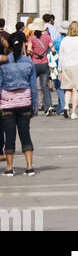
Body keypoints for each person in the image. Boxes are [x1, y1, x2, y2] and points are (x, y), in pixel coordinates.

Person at [0, 33, 38, 176]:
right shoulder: (28, 62)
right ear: (23, 44)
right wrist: (34, 105)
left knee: (9, 135)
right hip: (24, 103)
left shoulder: (4, 62)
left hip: (7, 104)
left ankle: (9, 168)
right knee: (25, 134)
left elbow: (0, 84)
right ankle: (29, 167)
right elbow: (33, 86)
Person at [57, 21, 78, 119]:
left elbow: (61, 56)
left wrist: (59, 70)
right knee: (76, 89)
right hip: (77, 65)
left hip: (66, 66)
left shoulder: (65, 40)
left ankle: (66, 105)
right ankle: (73, 112)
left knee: (68, 88)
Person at [26, 19, 54, 115]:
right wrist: (45, 51)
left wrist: (34, 53)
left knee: (33, 86)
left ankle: (33, 107)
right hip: (44, 64)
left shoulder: (31, 38)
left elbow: (29, 50)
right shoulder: (47, 37)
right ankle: (49, 106)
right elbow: (53, 49)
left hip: (34, 64)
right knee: (45, 86)